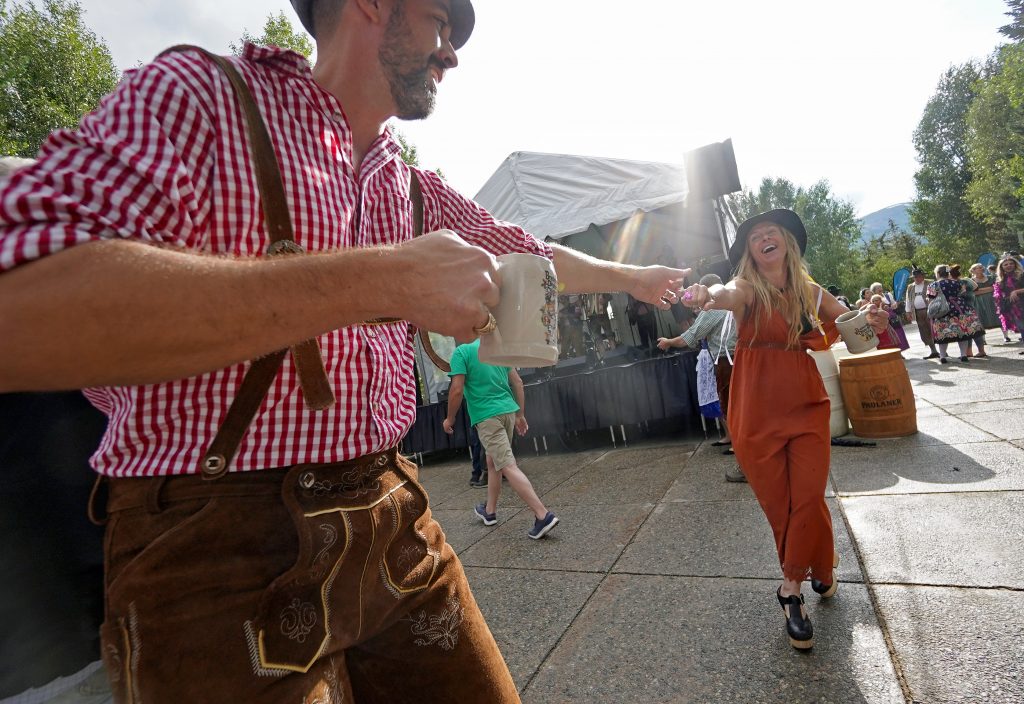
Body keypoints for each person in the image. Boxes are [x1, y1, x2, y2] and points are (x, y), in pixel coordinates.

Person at [0, 1, 689, 700]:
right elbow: (21, 309)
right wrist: (382, 278)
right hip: (213, 541)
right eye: (438, 24)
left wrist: (633, 277)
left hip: (392, 509)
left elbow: (531, 255)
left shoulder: (411, 187)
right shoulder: (200, 98)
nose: (450, 52)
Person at [682, 209, 888, 651]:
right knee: (783, 506)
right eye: (755, 235)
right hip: (756, 410)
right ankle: (824, 568)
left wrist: (873, 320)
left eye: (771, 231)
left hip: (806, 404)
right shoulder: (746, 289)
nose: (764, 236)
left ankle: (790, 589)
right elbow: (722, 292)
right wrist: (704, 293)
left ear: (787, 242)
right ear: (750, 253)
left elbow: (854, 330)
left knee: (809, 496)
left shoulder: (810, 293)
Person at [441, 340, 557, 539]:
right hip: (507, 412)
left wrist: (450, 418)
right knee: (493, 461)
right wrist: (520, 414)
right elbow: (518, 382)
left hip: (487, 416)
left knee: (507, 465)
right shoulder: (497, 347)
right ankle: (490, 511)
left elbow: (456, 390)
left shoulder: (461, 352)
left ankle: (542, 514)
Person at [656, 273, 743, 482]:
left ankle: (746, 463)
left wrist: (668, 341)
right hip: (743, 356)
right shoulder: (736, 297)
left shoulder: (713, 306)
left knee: (733, 409)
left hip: (726, 361)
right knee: (744, 408)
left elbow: (691, 336)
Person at [927, 265, 984, 363]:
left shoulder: (933, 285)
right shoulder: (957, 283)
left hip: (942, 311)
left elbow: (930, 298)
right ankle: (963, 355)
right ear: (948, 273)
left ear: (938, 274)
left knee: (943, 334)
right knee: (962, 333)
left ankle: (943, 356)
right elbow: (962, 293)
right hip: (959, 308)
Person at [950, 264, 988, 358]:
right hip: (971, 307)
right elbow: (976, 287)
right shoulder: (967, 280)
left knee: (965, 331)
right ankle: (981, 350)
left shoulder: (952, 283)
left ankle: (968, 352)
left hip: (960, 310)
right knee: (975, 330)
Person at [905, 267, 938, 358]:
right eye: (915, 277)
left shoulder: (930, 283)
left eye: (919, 276)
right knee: (924, 331)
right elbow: (908, 300)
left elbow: (935, 296)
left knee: (934, 329)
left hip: (930, 310)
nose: (917, 278)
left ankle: (942, 350)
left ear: (923, 276)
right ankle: (933, 350)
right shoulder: (910, 287)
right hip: (917, 312)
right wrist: (908, 311)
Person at [993, 255, 1024, 351]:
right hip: (1012, 307)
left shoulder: (1021, 275)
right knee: (1021, 327)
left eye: (1011, 263)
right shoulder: (1001, 279)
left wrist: (1016, 291)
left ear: (1015, 265)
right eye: (1005, 264)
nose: (1008, 265)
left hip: (1022, 303)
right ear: (1001, 267)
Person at [869, 281, 909, 351]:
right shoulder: (874, 299)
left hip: (892, 317)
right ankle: (892, 352)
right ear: (874, 291)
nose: (880, 289)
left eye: (880, 287)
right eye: (878, 288)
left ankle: (900, 352)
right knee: (889, 337)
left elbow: (894, 306)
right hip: (883, 319)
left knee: (898, 334)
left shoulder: (887, 295)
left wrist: (894, 305)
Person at [970, 262, 1001, 331]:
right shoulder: (971, 281)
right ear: (973, 270)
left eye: (982, 267)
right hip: (979, 302)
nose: (981, 268)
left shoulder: (991, 277)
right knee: (982, 319)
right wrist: (989, 288)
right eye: (979, 268)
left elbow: (995, 288)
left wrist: (979, 290)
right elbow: (973, 293)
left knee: (999, 317)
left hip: (993, 300)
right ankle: (983, 340)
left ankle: (1006, 336)